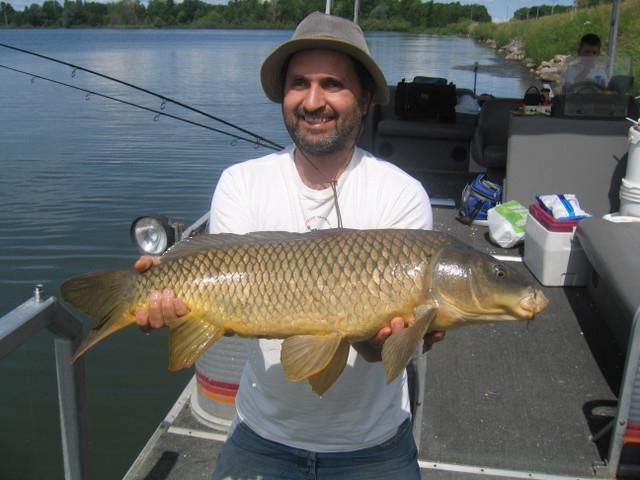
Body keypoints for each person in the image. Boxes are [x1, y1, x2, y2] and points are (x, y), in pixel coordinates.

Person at [135, 12, 443, 479]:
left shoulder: (400, 194)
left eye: (332, 85)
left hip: (373, 444)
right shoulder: (241, 182)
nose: (313, 101)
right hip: (263, 436)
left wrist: (397, 337)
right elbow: (234, 309)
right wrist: (171, 299)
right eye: (299, 83)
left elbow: (383, 351)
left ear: (363, 99)